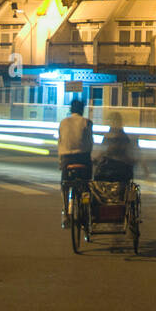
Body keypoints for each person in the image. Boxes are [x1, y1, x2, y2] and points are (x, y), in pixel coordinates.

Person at [57, 97, 94, 227]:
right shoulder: (87, 122)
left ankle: (65, 211)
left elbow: (60, 141)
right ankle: (86, 206)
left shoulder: (63, 122)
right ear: (82, 110)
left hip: (67, 160)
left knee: (64, 185)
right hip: (83, 159)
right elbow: (90, 143)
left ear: (71, 109)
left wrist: (61, 161)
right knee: (87, 185)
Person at [93, 112, 143, 184]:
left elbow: (104, 151)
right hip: (123, 169)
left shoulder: (108, 136)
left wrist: (96, 160)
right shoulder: (124, 137)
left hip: (112, 169)